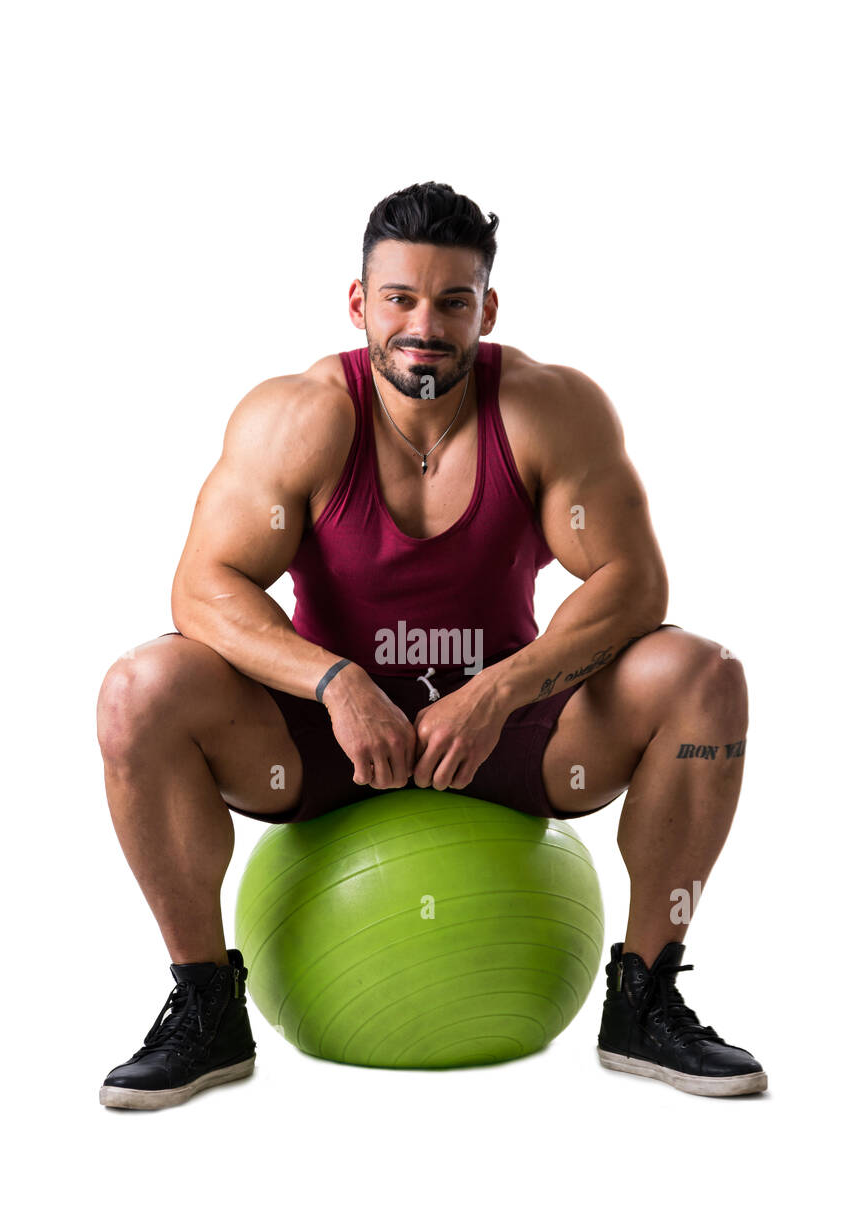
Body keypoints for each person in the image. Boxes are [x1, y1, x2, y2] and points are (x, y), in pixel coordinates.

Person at [96, 181, 767, 1109]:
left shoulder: (546, 408)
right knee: (141, 688)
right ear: (358, 302)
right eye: (400, 299)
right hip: (325, 745)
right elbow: (203, 589)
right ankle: (205, 1006)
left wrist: (500, 691)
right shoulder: (297, 417)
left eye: (453, 302)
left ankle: (645, 998)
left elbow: (633, 580)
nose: (425, 324)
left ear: (486, 309)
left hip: (511, 739)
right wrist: (334, 681)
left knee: (705, 676)